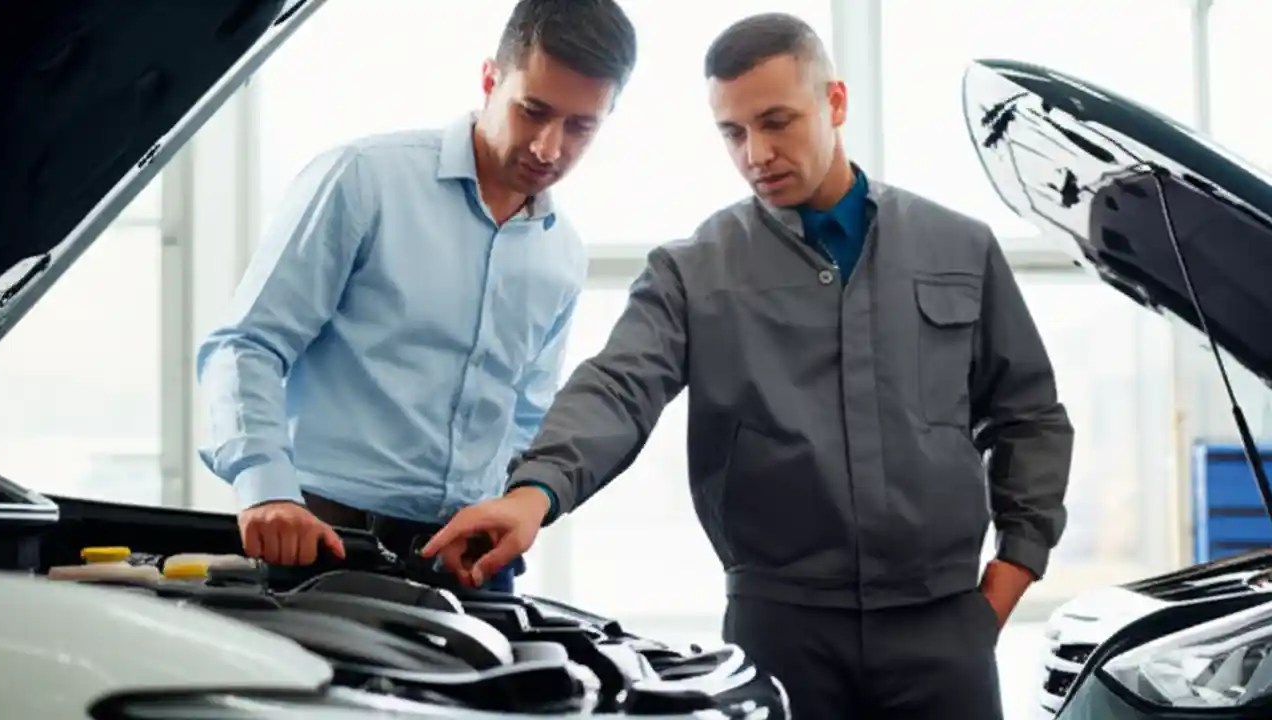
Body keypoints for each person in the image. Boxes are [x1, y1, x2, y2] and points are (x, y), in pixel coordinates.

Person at [421, 11, 1075, 718]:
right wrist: (534, 493)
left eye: (776, 121)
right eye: (732, 132)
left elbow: (1029, 417)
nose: (755, 152)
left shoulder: (960, 249)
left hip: (943, 628)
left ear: (835, 103)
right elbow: (618, 387)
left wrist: (1009, 575)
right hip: (780, 630)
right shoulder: (695, 270)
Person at [195, 0, 637, 593]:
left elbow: (526, 417)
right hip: (324, 540)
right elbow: (246, 345)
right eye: (533, 111)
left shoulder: (563, 255)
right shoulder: (363, 180)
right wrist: (266, 487)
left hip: (470, 563)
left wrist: (505, 505)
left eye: (580, 126)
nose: (547, 147)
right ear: (490, 79)